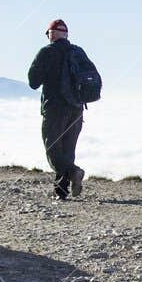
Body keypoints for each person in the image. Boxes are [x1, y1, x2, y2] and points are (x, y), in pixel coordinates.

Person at [27, 18, 93, 200]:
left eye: (48, 33)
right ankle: (61, 191)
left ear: (53, 34)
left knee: (53, 149)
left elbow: (33, 82)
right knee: (68, 150)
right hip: (77, 108)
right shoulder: (78, 52)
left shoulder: (47, 52)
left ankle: (73, 172)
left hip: (55, 109)